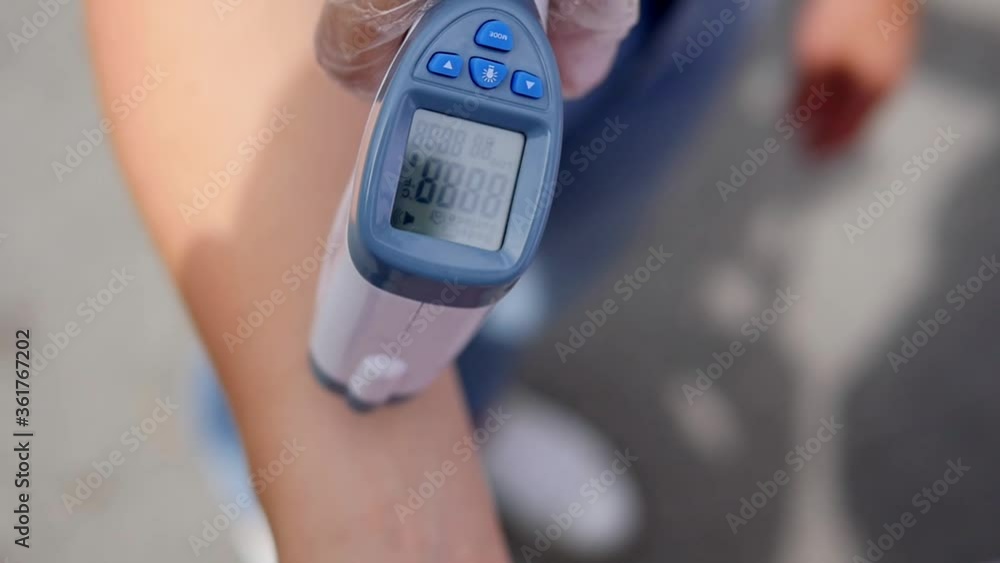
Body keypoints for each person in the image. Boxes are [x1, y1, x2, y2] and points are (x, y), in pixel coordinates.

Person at [85, 0, 920, 561]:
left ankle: (471, 408)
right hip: (378, 74)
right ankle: (271, 487)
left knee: (548, 269)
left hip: (672, 29)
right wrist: (368, 508)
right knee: (306, 369)